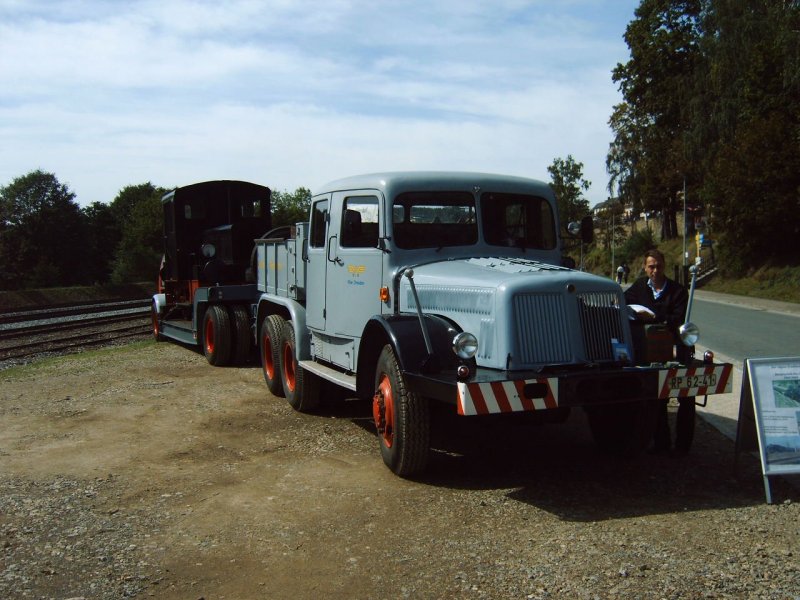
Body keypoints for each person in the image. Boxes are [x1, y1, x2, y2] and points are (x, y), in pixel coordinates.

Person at [624, 249, 695, 455]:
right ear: (645, 268)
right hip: (649, 350)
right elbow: (624, 302)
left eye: (658, 266)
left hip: (675, 348)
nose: (655, 270)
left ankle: (683, 447)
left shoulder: (678, 291)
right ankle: (661, 444)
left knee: (686, 399)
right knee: (657, 399)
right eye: (651, 266)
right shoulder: (639, 287)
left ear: (664, 266)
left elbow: (678, 318)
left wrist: (654, 316)